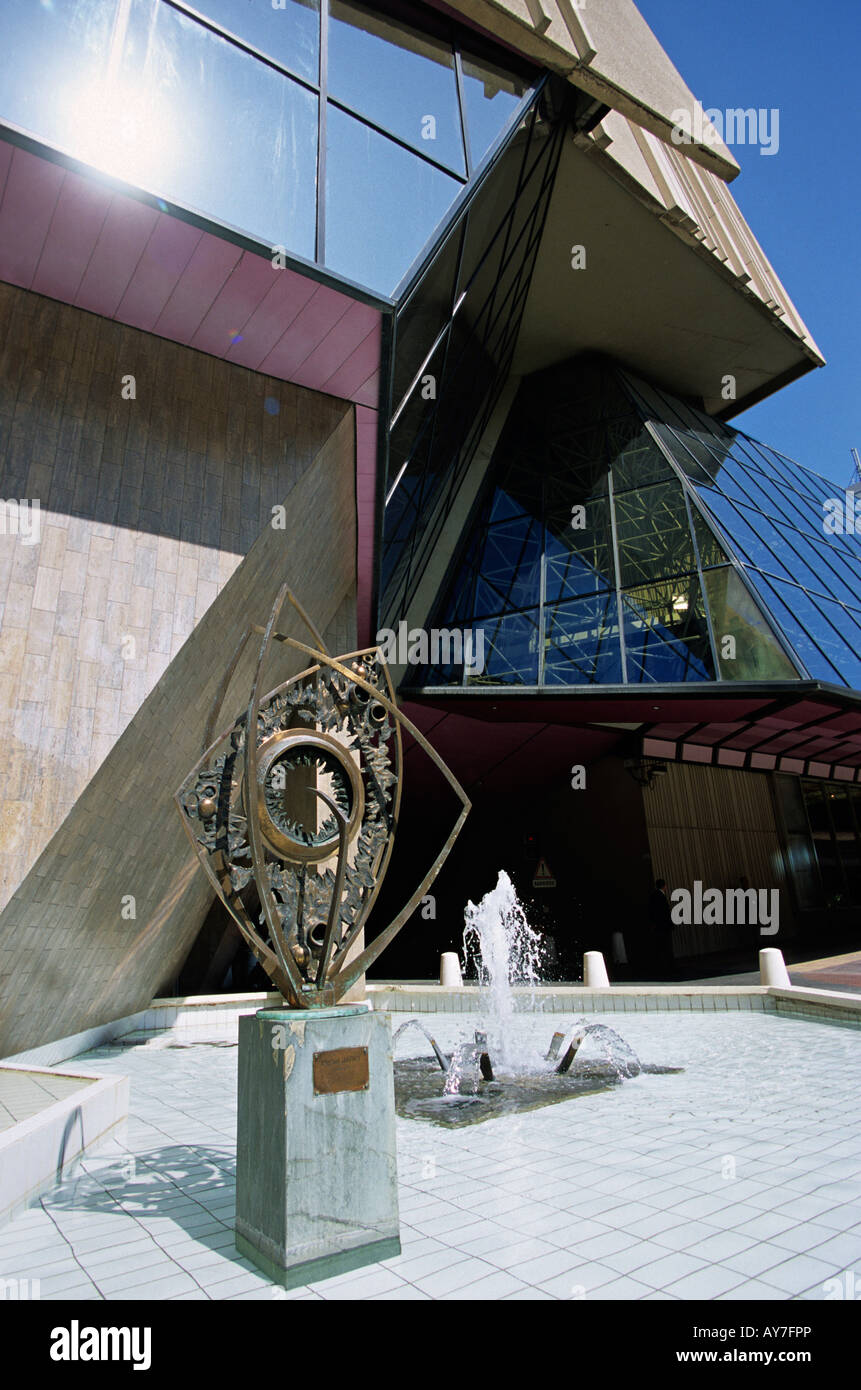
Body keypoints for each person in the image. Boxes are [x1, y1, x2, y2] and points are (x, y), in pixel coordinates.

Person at [647, 877, 675, 980]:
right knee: (667, 947)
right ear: (664, 886)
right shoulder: (661, 897)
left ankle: (663, 968)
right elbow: (665, 913)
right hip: (664, 926)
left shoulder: (653, 896)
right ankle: (668, 968)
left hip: (658, 927)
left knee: (661, 947)